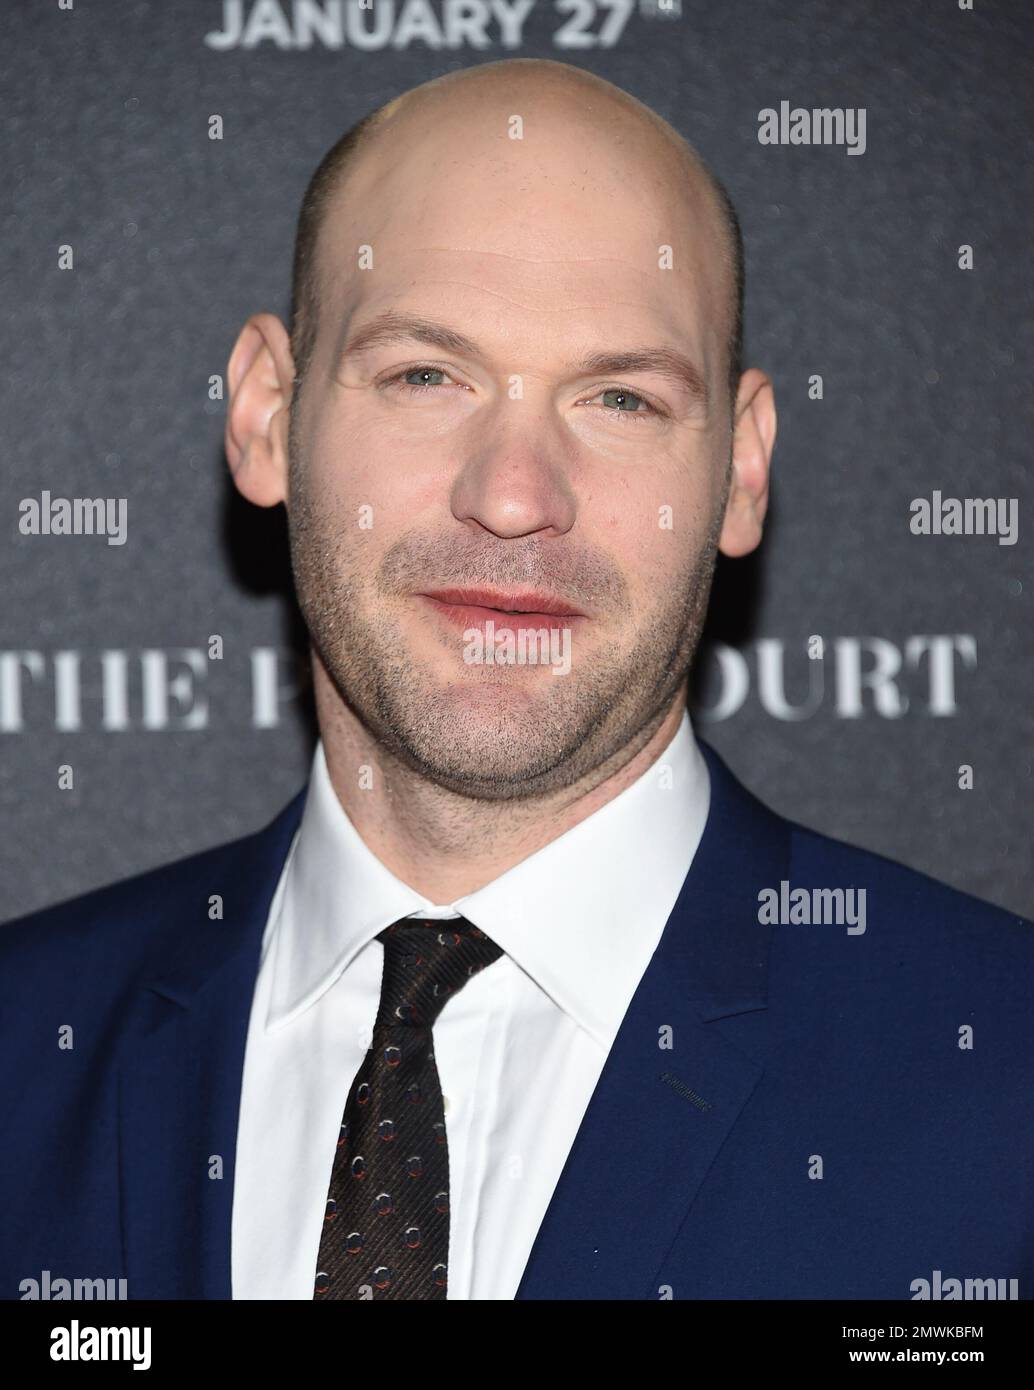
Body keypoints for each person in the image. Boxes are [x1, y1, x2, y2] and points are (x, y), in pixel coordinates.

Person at [2, 57, 1031, 1303]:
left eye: (619, 397)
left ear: (741, 470)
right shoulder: (25, 1046)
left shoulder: (997, 1079)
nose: (512, 496)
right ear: (267, 413)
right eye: (426, 375)